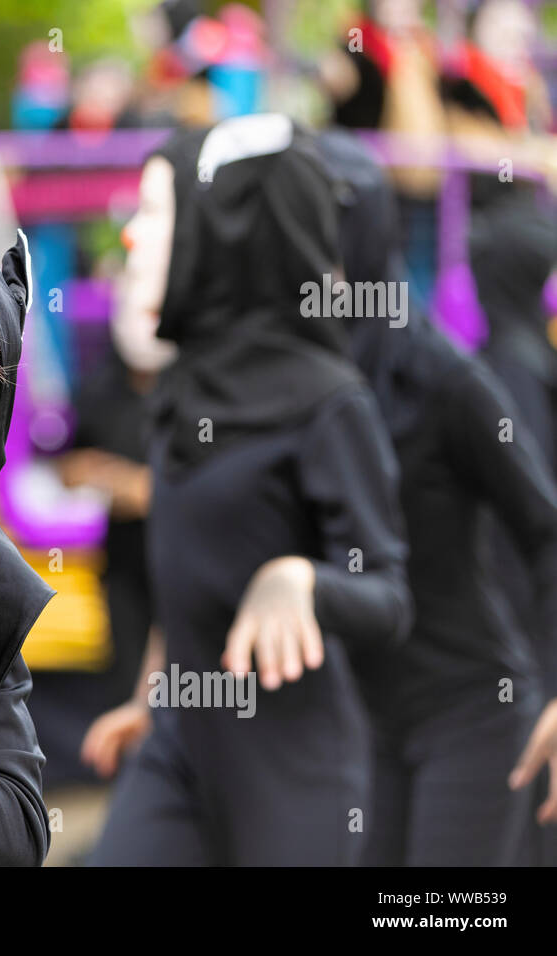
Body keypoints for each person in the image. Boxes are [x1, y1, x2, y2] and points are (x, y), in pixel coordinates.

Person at [88, 114, 412, 866]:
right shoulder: (178, 389)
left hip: (293, 774)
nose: (131, 237)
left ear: (225, 232)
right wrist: (152, 696)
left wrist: (298, 578)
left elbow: (390, 596)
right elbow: (187, 567)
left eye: (156, 213)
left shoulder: (330, 402)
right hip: (178, 749)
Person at [321, 129, 557, 865]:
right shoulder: (294, 388)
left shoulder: (446, 380)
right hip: (365, 723)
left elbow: (546, 530)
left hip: (472, 715)